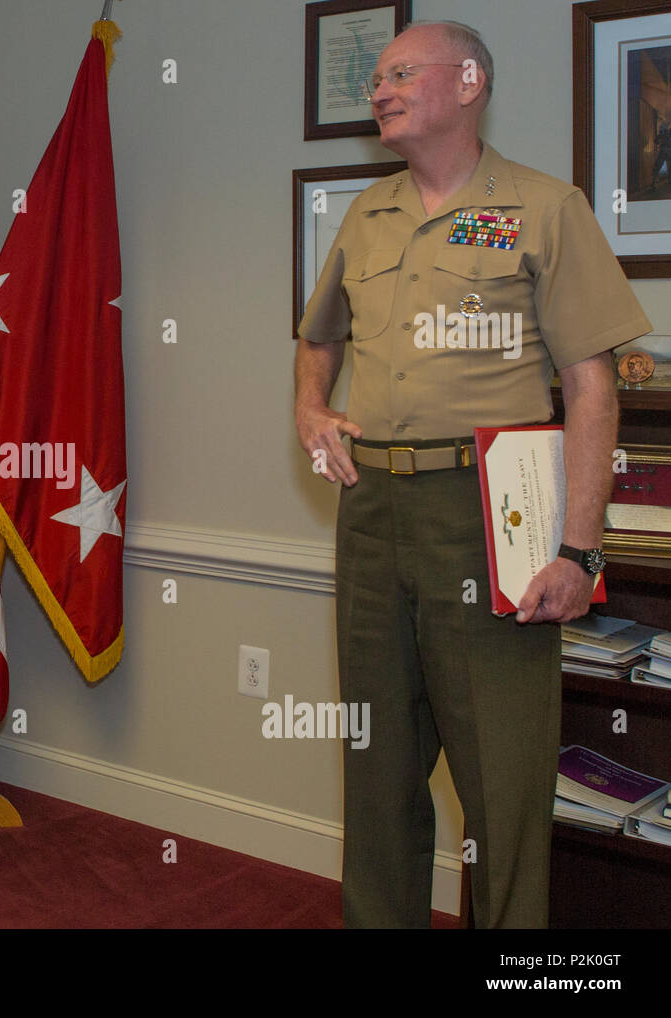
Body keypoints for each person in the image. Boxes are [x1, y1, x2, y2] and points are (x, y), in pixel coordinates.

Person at [294, 21, 650, 928]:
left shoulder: (544, 205)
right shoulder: (367, 214)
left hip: (486, 510)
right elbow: (318, 336)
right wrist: (310, 409)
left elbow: (590, 385)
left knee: (504, 781)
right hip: (370, 509)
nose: (380, 90)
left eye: (400, 72)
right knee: (375, 767)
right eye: (375, 78)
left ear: (469, 82)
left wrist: (579, 547)